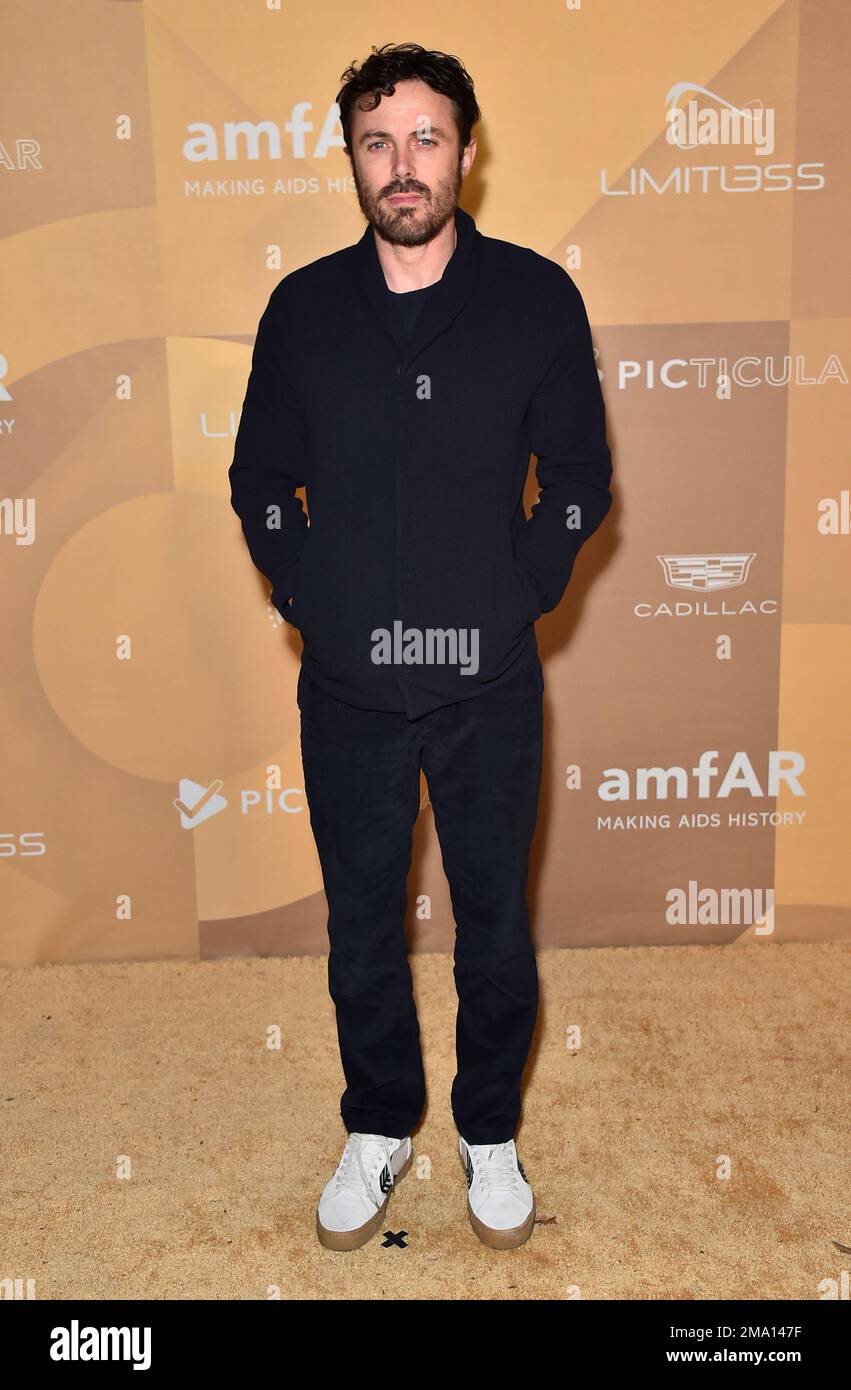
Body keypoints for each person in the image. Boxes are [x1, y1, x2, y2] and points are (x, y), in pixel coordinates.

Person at [229, 42, 613, 1251]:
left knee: (494, 923)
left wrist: (519, 591)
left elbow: (578, 479)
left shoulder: (535, 298)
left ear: (466, 149)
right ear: (351, 157)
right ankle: (379, 1119)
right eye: (376, 141)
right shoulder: (301, 310)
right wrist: (312, 594)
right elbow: (260, 481)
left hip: (487, 680)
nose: (402, 165)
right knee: (360, 924)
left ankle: (487, 1128)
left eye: (425, 137)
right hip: (346, 684)